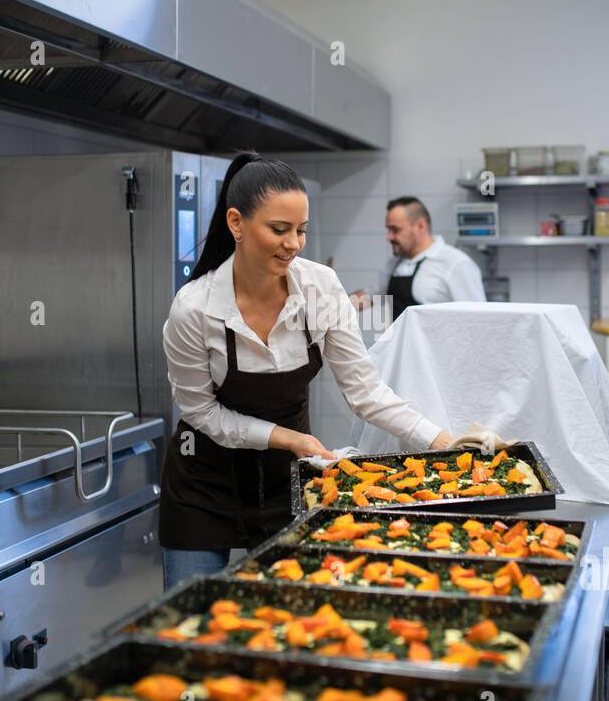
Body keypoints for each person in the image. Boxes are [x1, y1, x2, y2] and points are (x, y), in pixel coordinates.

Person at [159, 154, 453, 589]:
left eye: (301, 230)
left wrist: (444, 440)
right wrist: (288, 438)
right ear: (236, 223)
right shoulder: (194, 310)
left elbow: (365, 392)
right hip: (203, 486)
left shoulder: (320, 289)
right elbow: (200, 413)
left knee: (284, 618)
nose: (294, 243)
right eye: (279, 230)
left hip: (290, 482)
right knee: (189, 628)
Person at [350, 196, 487, 320]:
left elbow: (478, 320)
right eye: (388, 230)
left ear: (421, 226)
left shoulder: (456, 263)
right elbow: (368, 297)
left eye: (395, 230)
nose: (389, 237)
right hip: (401, 348)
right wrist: (332, 309)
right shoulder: (395, 264)